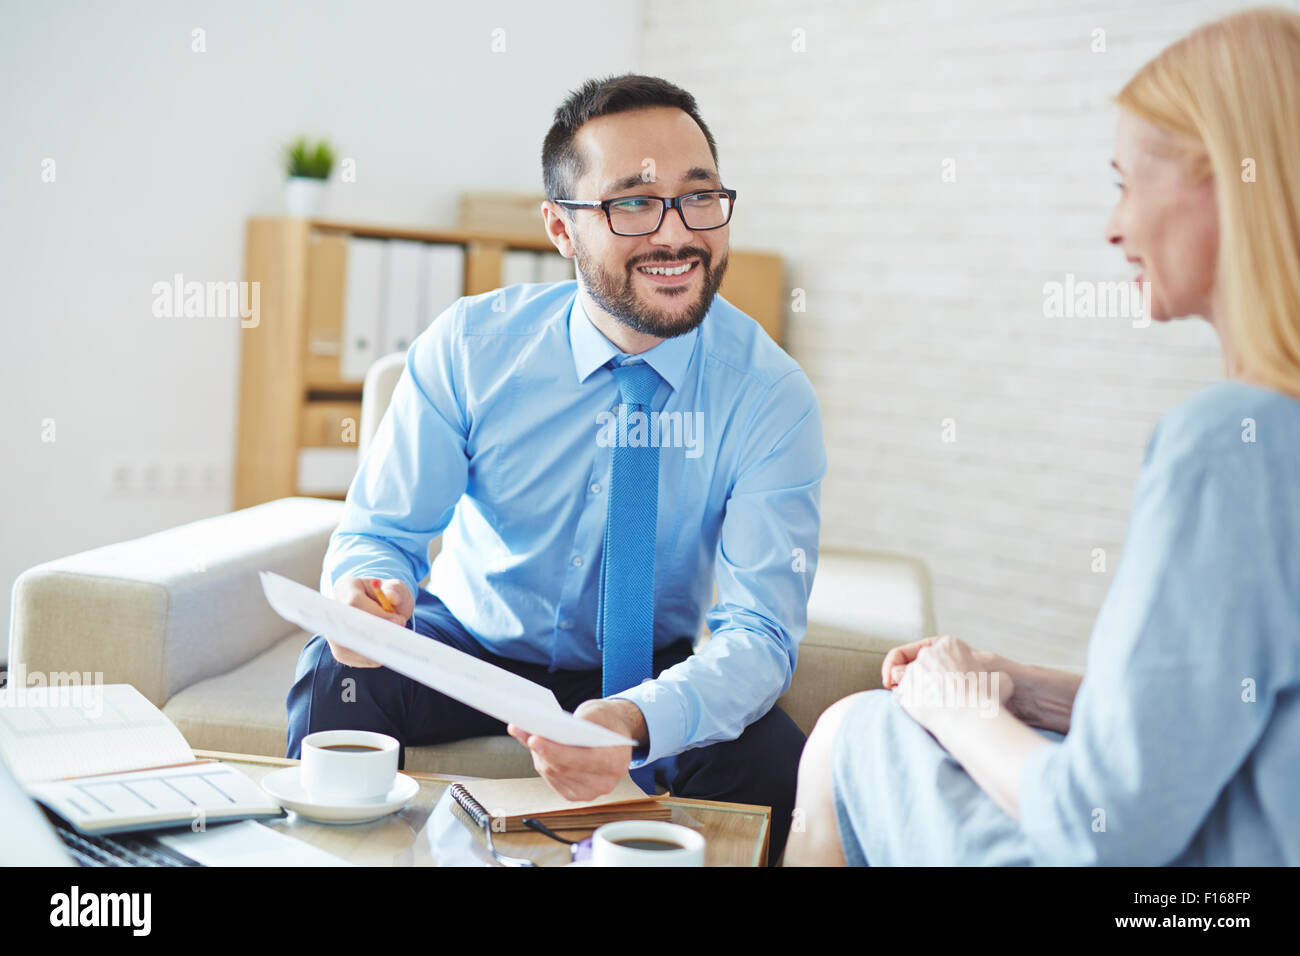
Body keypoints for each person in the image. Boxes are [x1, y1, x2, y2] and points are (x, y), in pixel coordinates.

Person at [785, 7, 1300, 866]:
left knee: (851, 733)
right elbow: (1215, 714)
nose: (1114, 226)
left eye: (1126, 182)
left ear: (1223, 181)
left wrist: (959, 706)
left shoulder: (1227, 449)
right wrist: (1028, 692)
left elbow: (1106, 829)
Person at [285, 74, 825, 862]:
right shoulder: (471, 349)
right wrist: (365, 593)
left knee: (779, 765)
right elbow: (380, 534)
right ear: (561, 229)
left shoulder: (771, 396)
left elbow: (759, 633)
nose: (676, 234)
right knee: (334, 682)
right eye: (633, 203)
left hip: (652, 666)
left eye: (698, 198)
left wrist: (639, 718)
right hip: (471, 642)